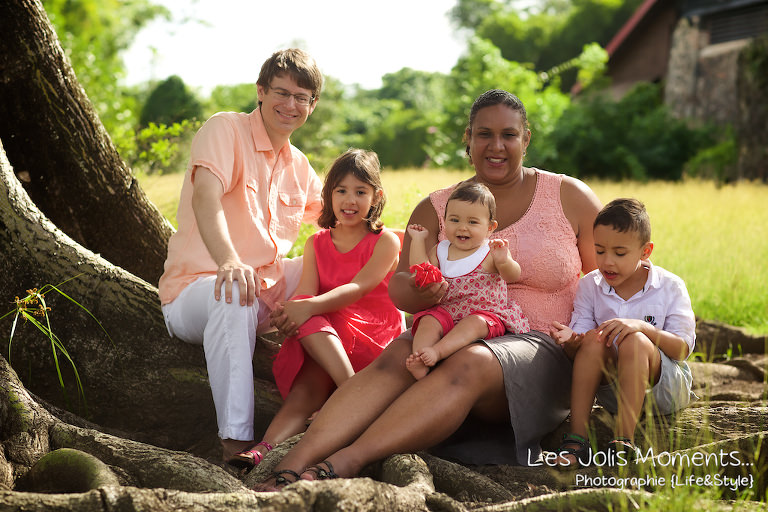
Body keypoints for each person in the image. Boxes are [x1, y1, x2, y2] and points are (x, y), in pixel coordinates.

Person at [256, 88, 602, 489]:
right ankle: (290, 465)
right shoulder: (436, 208)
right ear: (468, 139)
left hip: (540, 348)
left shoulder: (568, 196)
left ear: (526, 138)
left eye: (508, 135)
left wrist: (595, 340)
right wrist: (421, 293)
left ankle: (345, 461)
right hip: (446, 334)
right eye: (484, 134)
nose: (496, 146)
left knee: (470, 359)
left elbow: (610, 279)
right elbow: (400, 289)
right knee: (400, 354)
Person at [158, 48, 325, 462]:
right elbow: (206, 197)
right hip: (198, 291)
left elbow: (340, 220)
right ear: (261, 91)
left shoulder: (299, 165)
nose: (290, 105)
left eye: (301, 97)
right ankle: (234, 444)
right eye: (281, 92)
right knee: (233, 290)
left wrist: (407, 242)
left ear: (312, 105)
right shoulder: (225, 129)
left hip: (266, 289)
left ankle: (337, 395)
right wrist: (229, 260)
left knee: (329, 270)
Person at [229, 149, 405, 468]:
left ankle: (350, 393)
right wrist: (289, 313)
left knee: (306, 311)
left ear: (376, 197)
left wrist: (305, 307)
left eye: (360, 192)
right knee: (306, 390)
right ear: (329, 195)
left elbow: (359, 287)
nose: (349, 200)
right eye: (341, 190)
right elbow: (306, 292)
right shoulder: (317, 242)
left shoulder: (386, 241)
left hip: (372, 339)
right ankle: (263, 450)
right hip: (330, 342)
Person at [549, 198, 696, 468]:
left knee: (635, 340)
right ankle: (577, 439)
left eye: (619, 253)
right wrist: (571, 341)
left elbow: (682, 350)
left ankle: (623, 441)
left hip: (663, 389)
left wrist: (643, 327)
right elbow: (582, 344)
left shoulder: (670, 286)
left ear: (645, 251)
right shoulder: (590, 286)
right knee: (593, 340)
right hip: (614, 393)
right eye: (599, 250)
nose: (607, 262)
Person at [405, 181, 529, 380]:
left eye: (472, 222)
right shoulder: (440, 250)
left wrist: (504, 261)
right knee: (428, 321)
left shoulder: (491, 251)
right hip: (446, 312)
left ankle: (437, 352)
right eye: (454, 220)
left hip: (485, 315)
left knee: (474, 323)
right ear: (444, 221)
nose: (462, 227)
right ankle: (420, 357)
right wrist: (418, 241)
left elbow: (513, 276)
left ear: (490, 227)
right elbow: (422, 271)